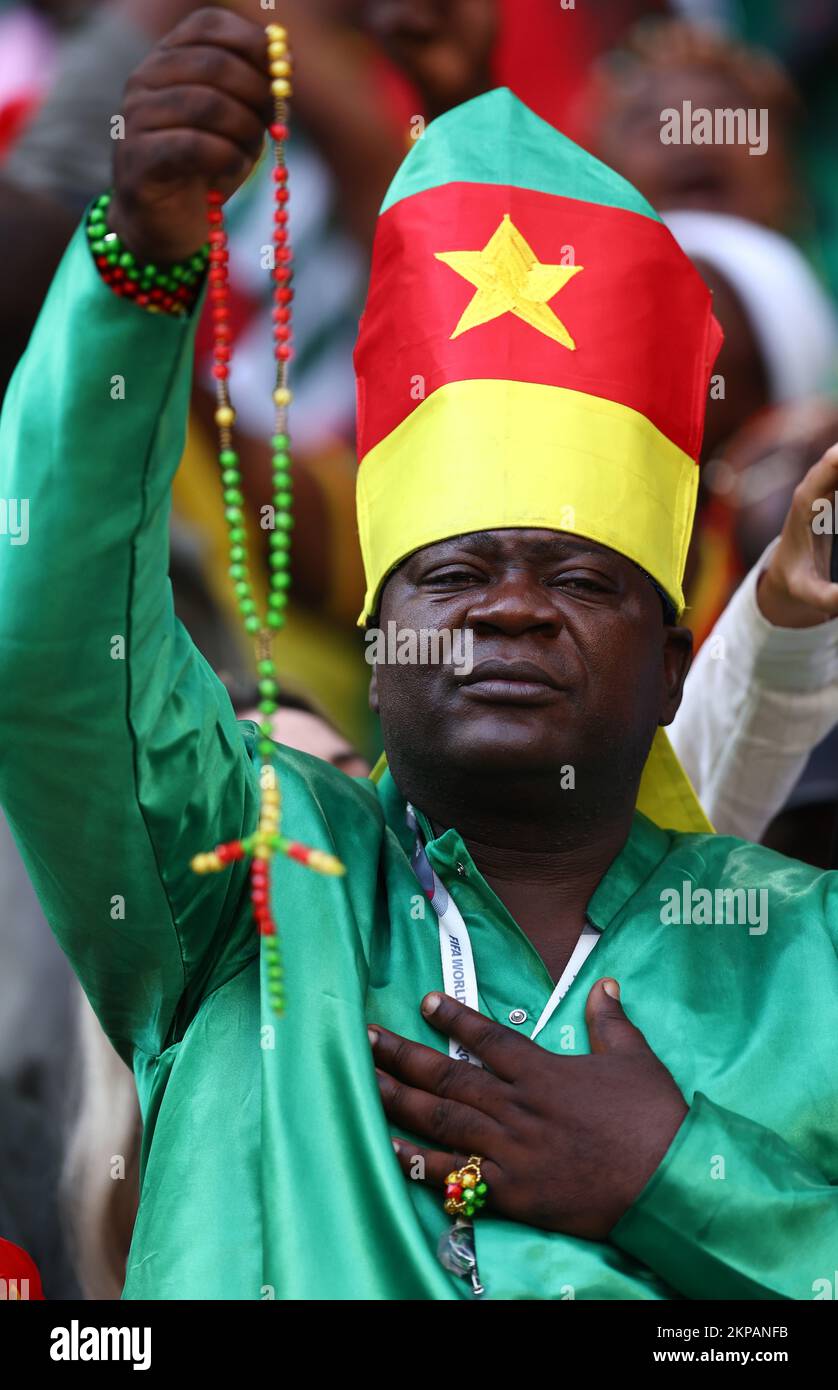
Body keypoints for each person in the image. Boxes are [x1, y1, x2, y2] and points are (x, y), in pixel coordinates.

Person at [1, 9, 837, 1301]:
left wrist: (673, 1175)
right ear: (372, 656)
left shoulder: (805, 951)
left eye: (577, 578)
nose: (508, 609)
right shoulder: (243, 883)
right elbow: (50, 646)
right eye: (450, 576)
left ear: (672, 664)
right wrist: (136, 276)